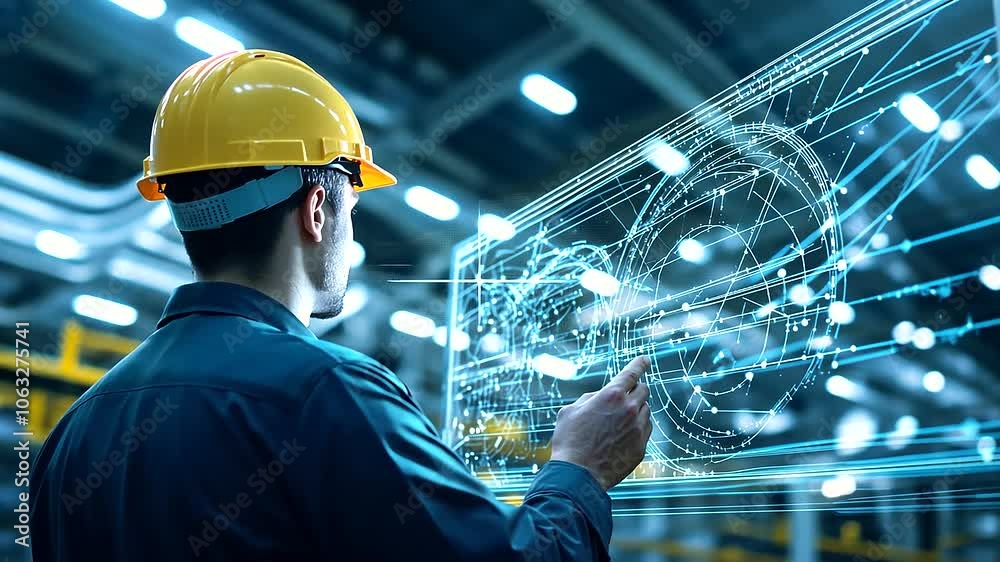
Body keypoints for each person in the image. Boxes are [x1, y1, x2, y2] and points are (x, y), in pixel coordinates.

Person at [29, 49, 652, 561]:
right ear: (317, 209)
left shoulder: (73, 436)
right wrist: (580, 469)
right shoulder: (327, 393)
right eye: (351, 208)